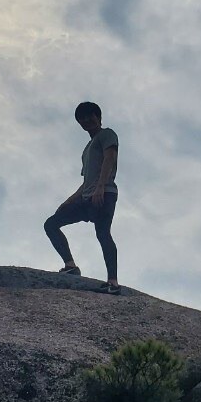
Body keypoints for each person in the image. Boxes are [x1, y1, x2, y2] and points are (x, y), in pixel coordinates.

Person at [44, 101, 121, 294]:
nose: (87, 120)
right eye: (82, 118)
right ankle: (70, 266)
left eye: (90, 115)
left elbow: (110, 159)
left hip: (105, 194)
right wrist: (68, 201)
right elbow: (86, 181)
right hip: (87, 198)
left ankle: (113, 282)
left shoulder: (107, 134)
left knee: (103, 233)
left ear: (99, 117)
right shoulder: (87, 149)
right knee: (51, 224)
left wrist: (101, 187)